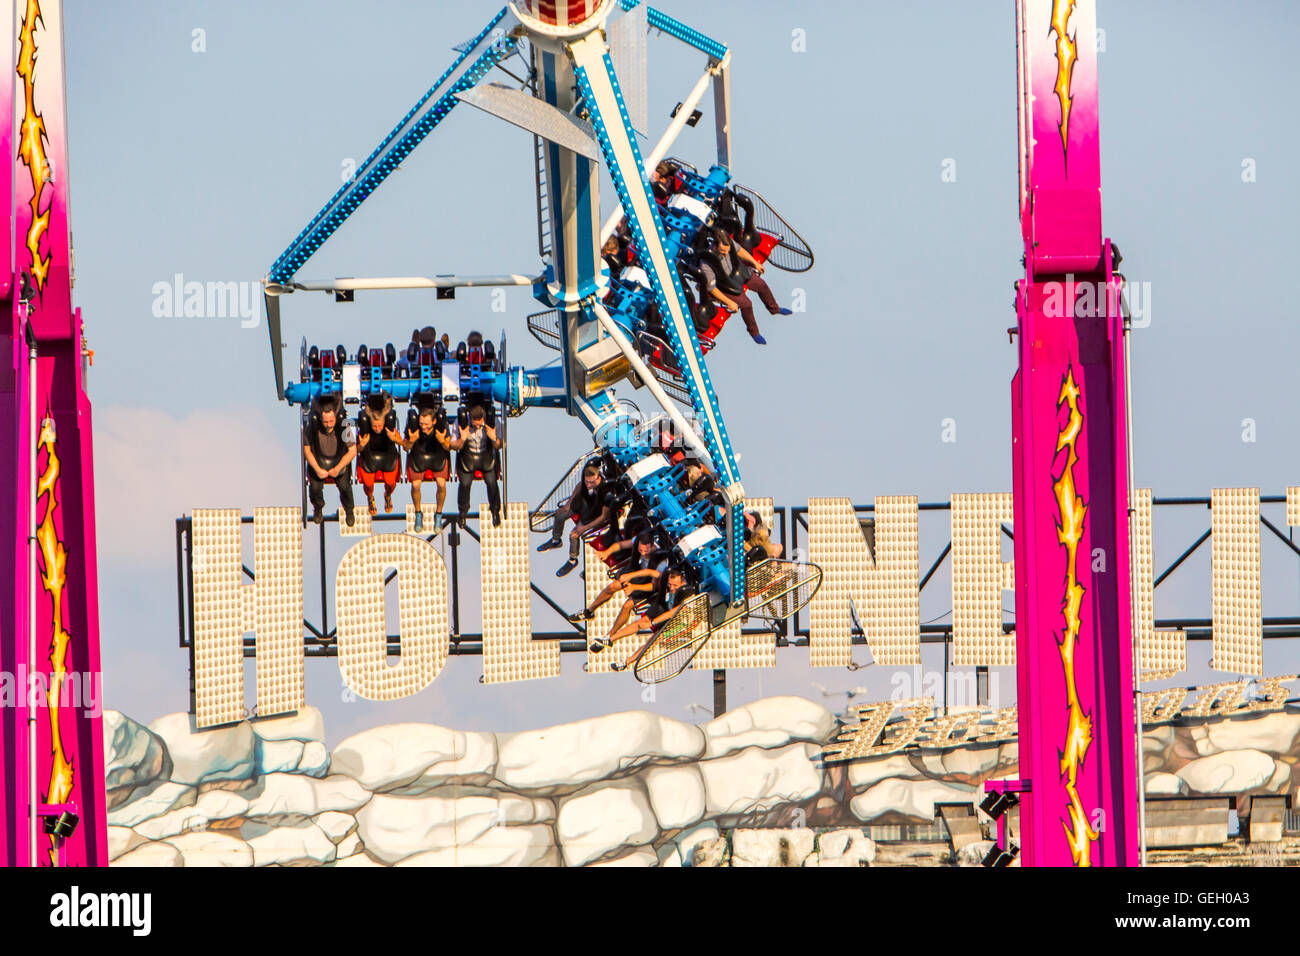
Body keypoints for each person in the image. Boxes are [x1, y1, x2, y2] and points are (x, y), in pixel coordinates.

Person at [698, 228, 792, 345]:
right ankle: (754, 332)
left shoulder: (729, 244)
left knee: (761, 285)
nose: (725, 254)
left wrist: (754, 262)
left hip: (738, 273)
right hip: (724, 284)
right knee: (746, 304)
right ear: (715, 246)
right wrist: (729, 302)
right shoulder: (706, 263)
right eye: (722, 252)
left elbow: (740, 251)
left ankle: (774, 308)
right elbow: (711, 288)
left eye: (727, 251)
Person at [603, 566, 696, 671]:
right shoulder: (668, 585)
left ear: (682, 583)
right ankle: (610, 639)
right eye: (670, 584)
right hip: (667, 614)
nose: (672, 588)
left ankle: (626, 662)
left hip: (681, 622)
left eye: (675, 585)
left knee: (654, 639)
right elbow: (650, 573)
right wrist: (632, 582)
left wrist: (652, 622)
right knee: (641, 622)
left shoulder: (688, 595)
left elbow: (673, 612)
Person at [569, 532, 670, 626]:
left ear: (652, 546)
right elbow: (621, 545)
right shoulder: (639, 540)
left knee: (628, 605)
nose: (643, 553)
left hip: (649, 585)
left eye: (646, 551)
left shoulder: (661, 561)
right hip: (638, 574)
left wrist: (633, 586)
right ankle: (589, 611)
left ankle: (610, 636)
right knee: (613, 586)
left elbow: (653, 586)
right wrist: (607, 552)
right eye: (640, 550)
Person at [537, 462, 616, 577]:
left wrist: (583, 528)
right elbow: (580, 486)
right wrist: (568, 506)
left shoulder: (605, 492)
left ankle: (572, 560)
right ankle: (556, 540)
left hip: (595, 514)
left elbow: (603, 517)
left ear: (599, 478)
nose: (589, 485)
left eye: (592, 483)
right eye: (587, 482)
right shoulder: (586, 484)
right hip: (585, 505)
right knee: (559, 515)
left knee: (574, 534)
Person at [303, 395, 357, 526]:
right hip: (319, 462)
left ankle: (349, 510)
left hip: (338, 463)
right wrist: (317, 469)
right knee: (315, 488)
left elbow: (353, 451)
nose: (328, 425)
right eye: (326, 422)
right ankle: (318, 507)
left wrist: (338, 468)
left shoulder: (345, 426)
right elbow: (307, 451)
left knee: (345, 487)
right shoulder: (313, 427)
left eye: (331, 421)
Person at [450, 404, 502, 528]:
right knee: (465, 483)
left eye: (480, 424)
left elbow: (500, 445)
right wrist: (462, 439)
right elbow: (452, 446)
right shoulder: (460, 423)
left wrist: (494, 438)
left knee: (492, 482)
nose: (478, 427)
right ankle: (463, 512)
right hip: (468, 457)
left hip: (486, 456)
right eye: (475, 424)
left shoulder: (493, 422)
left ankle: (495, 511)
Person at [404, 404, 451, 532]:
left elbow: (448, 447)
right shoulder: (414, 426)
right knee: (415, 485)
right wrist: (411, 440)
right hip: (418, 455)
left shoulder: (441, 425)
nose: (423, 427)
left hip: (437, 454)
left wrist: (442, 441)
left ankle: (438, 514)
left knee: (441, 484)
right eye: (421, 424)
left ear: (434, 421)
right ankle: (418, 513)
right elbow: (405, 447)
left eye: (427, 424)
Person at [356, 392, 404, 515]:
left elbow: (405, 446)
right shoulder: (365, 430)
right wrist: (361, 445)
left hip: (387, 456)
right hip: (369, 457)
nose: (377, 429)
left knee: (390, 482)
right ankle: (370, 497)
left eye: (380, 425)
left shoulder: (389, 428)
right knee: (368, 483)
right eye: (375, 426)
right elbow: (355, 450)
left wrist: (395, 439)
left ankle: (387, 495)